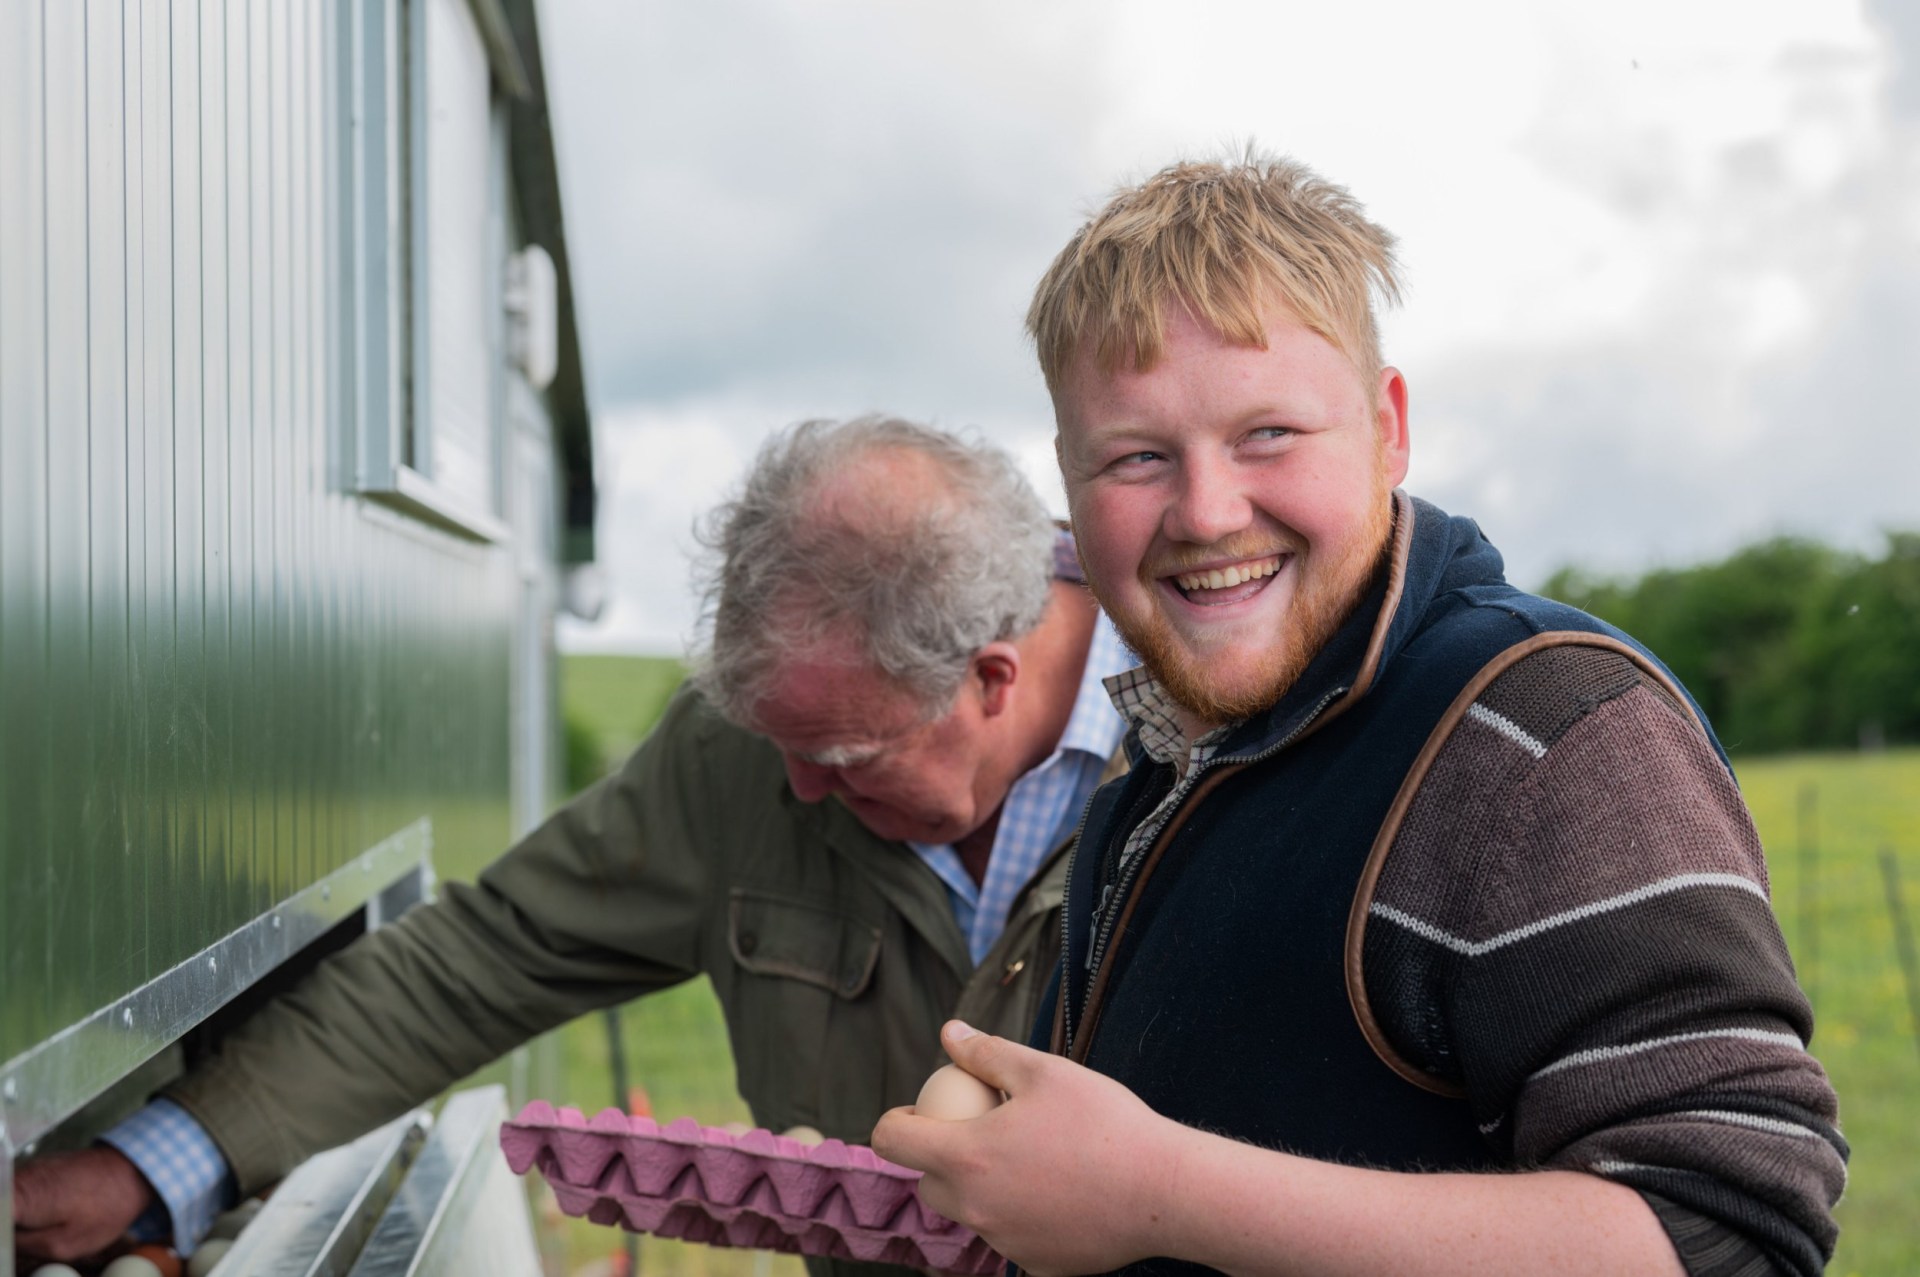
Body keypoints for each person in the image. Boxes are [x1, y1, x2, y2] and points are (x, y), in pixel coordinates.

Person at [872, 157, 1846, 1277]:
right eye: (1137, 457)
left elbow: (1728, 1235)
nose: (1207, 512)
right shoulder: (1170, 755)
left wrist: (1158, 1196)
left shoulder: (1541, 732)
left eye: (1269, 433)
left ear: (1388, 427)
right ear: (1068, 478)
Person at [12, 416, 1134, 1273]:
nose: (798, 790)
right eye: (778, 746)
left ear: (990, 679)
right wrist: (156, 1161)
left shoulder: (1196, 760)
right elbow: (481, 961)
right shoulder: (741, 755)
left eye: (840, 756)